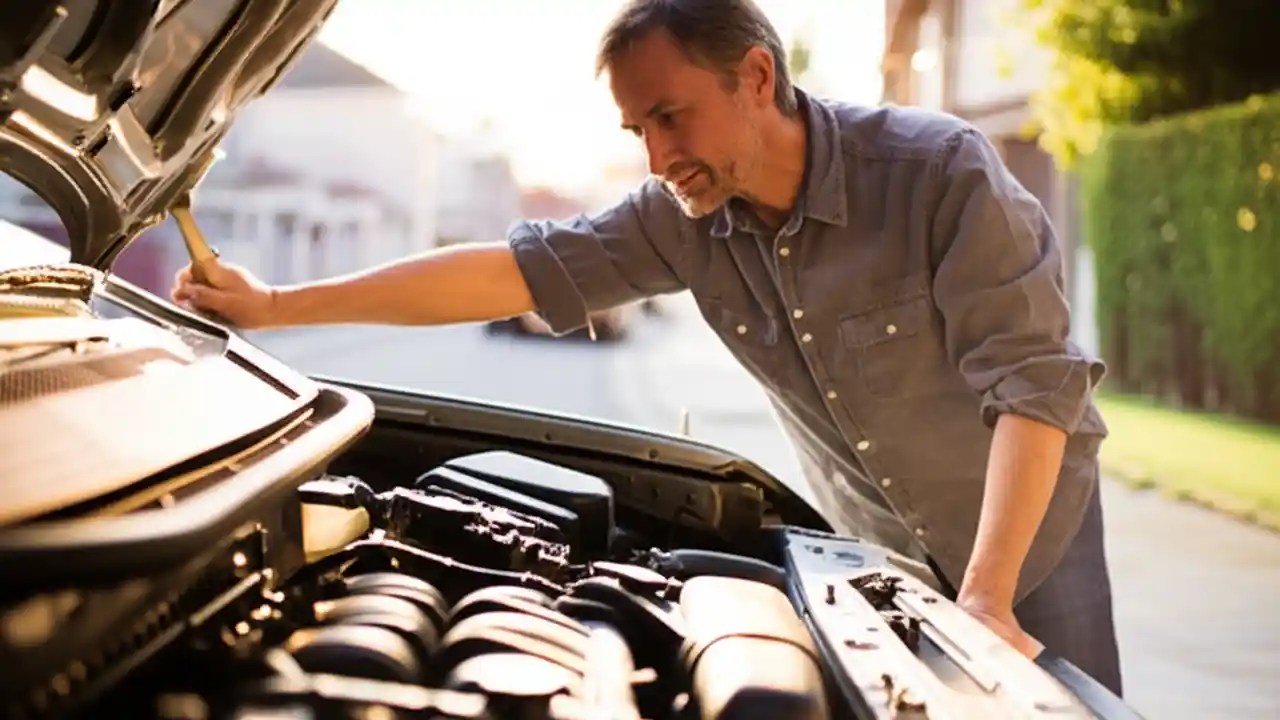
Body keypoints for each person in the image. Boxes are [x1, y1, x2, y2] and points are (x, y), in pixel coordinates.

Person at [173, 0, 1121, 694]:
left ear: (756, 76)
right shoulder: (682, 217)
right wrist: (279, 305)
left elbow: (1036, 390)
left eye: (671, 116)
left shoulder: (939, 173)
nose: (658, 155)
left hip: (1030, 550)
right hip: (885, 559)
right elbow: (504, 274)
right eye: (638, 129)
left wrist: (989, 601)